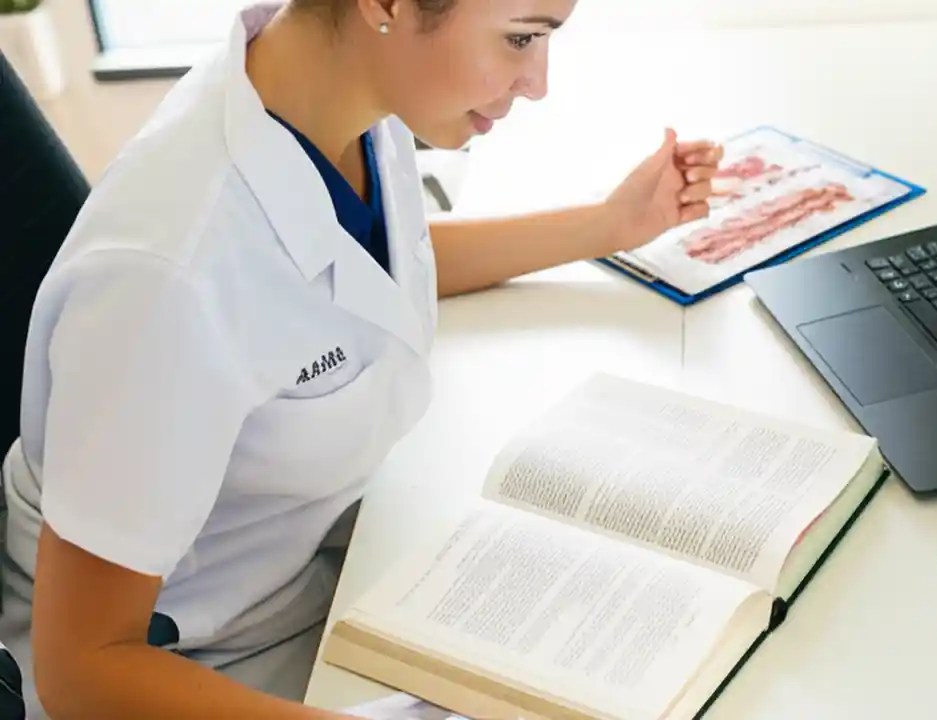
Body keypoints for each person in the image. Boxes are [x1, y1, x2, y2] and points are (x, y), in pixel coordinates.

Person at [0, 0, 723, 717]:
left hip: (313, 570)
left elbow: (365, 270)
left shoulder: (336, 101)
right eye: (520, 38)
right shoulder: (166, 273)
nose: (536, 81)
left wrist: (607, 225)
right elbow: (85, 671)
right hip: (195, 663)